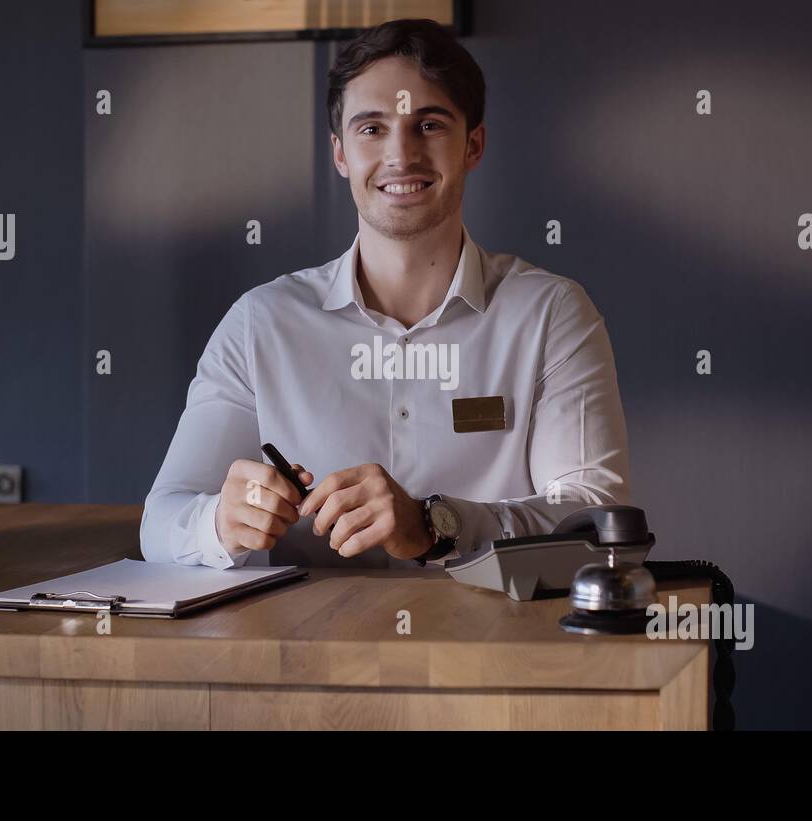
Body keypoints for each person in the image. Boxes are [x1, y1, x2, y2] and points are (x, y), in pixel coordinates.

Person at [140, 18, 630, 570]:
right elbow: (161, 522)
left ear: (474, 145)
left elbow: (596, 525)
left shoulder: (552, 315)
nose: (401, 156)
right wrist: (221, 523)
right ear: (341, 153)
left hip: (494, 650)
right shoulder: (259, 324)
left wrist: (434, 524)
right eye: (372, 128)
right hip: (306, 652)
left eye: (428, 125)